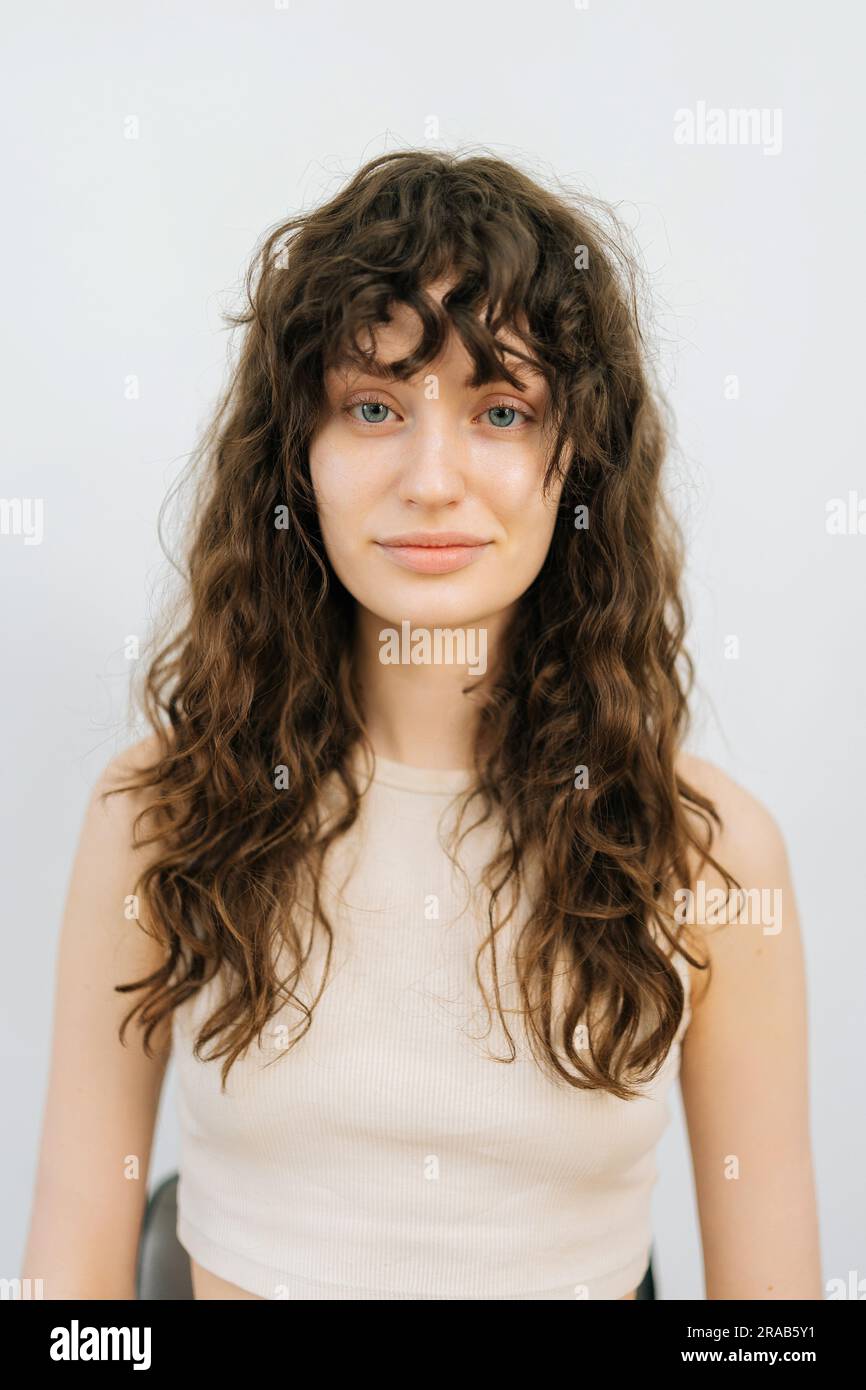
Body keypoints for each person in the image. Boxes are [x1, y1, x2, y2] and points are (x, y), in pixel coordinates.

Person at [22, 149, 822, 1301]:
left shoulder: (707, 853)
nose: (432, 477)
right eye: (374, 405)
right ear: (296, 451)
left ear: (574, 460)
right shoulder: (160, 814)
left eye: (500, 409)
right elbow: (73, 1297)